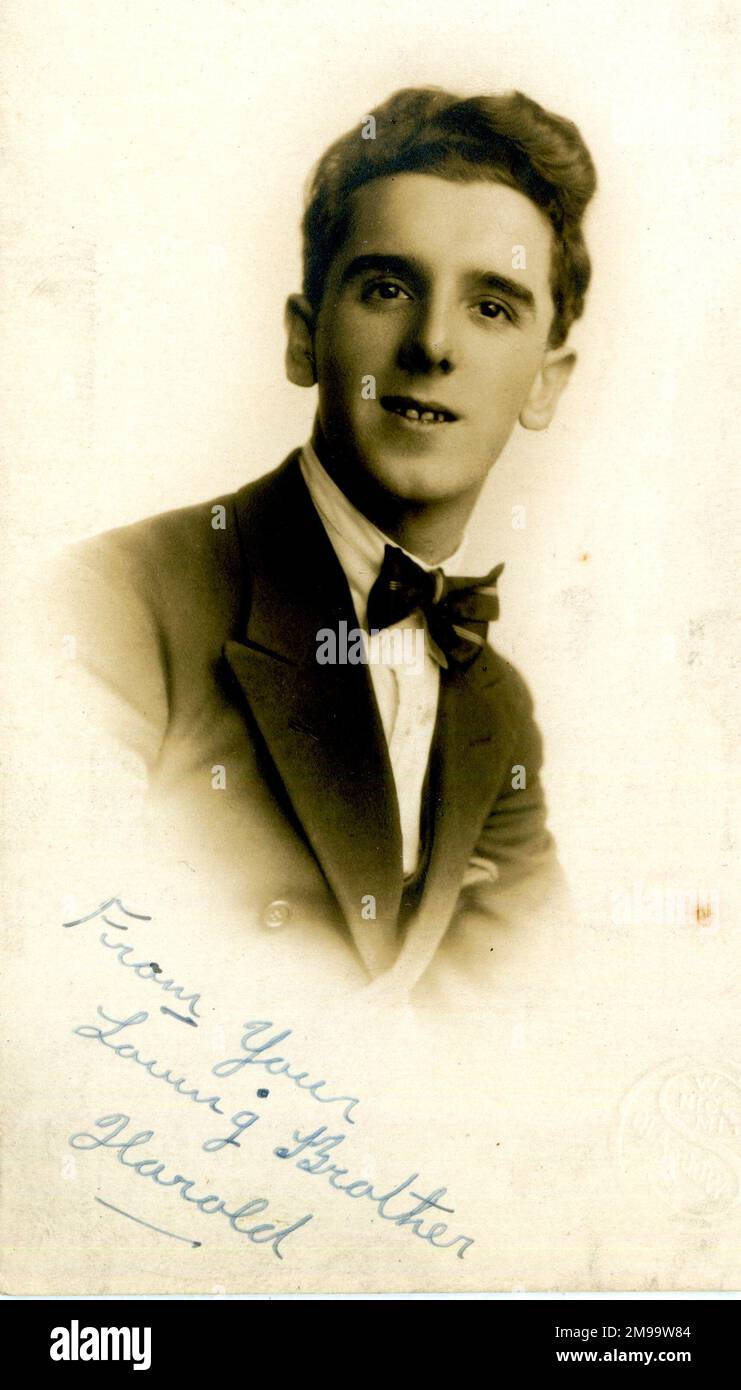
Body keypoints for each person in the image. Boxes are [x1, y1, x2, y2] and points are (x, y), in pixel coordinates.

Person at [52, 86, 597, 1002]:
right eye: (386, 288)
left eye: (492, 307)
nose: (431, 344)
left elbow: (526, 1017)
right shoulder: (114, 608)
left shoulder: (494, 704)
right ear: (305, 340)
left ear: (546, 385)